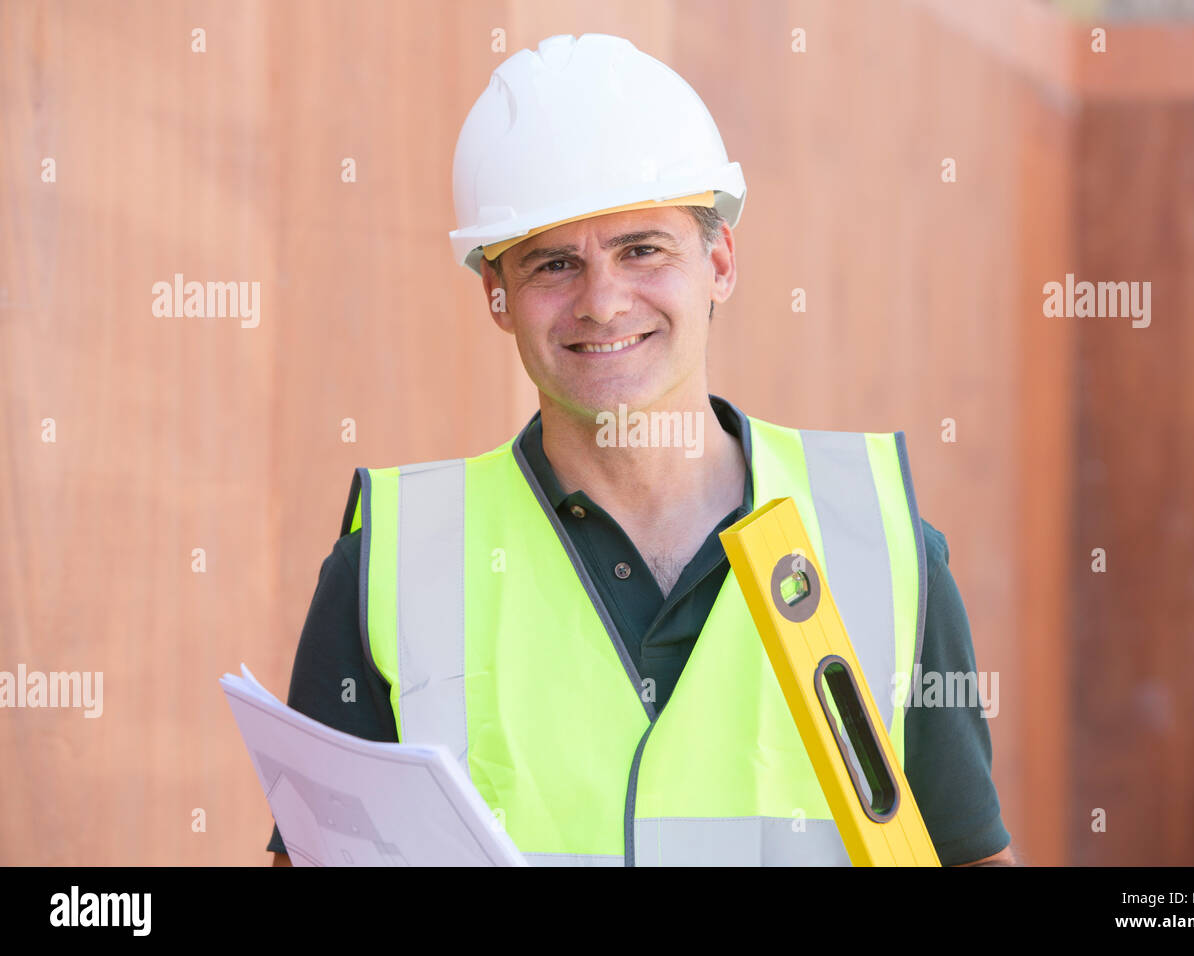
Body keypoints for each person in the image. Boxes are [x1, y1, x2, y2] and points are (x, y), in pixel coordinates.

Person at [269, 32, 1015, 867]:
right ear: (497, 296)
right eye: (554, 264)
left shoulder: (878, 547)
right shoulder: (389, 568)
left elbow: (966, 856)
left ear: (719, 261)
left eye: (642, 249)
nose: (602, 301)